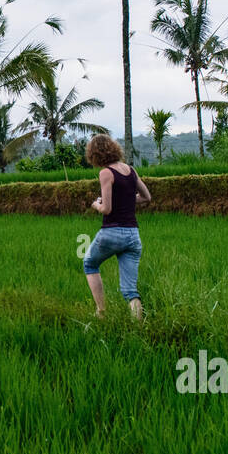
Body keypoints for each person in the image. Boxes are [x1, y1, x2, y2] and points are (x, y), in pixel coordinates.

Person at [82, 133, 151, 320]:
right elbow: (146, 198)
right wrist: (127, 201)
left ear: (94, 155)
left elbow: (107, 208)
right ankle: (139, 327)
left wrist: (96, 204)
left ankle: (101, 312)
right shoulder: (131, 170)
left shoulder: (105, 173)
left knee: (89, 263)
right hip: (133, 235)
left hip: (112, 233)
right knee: (130, 290)